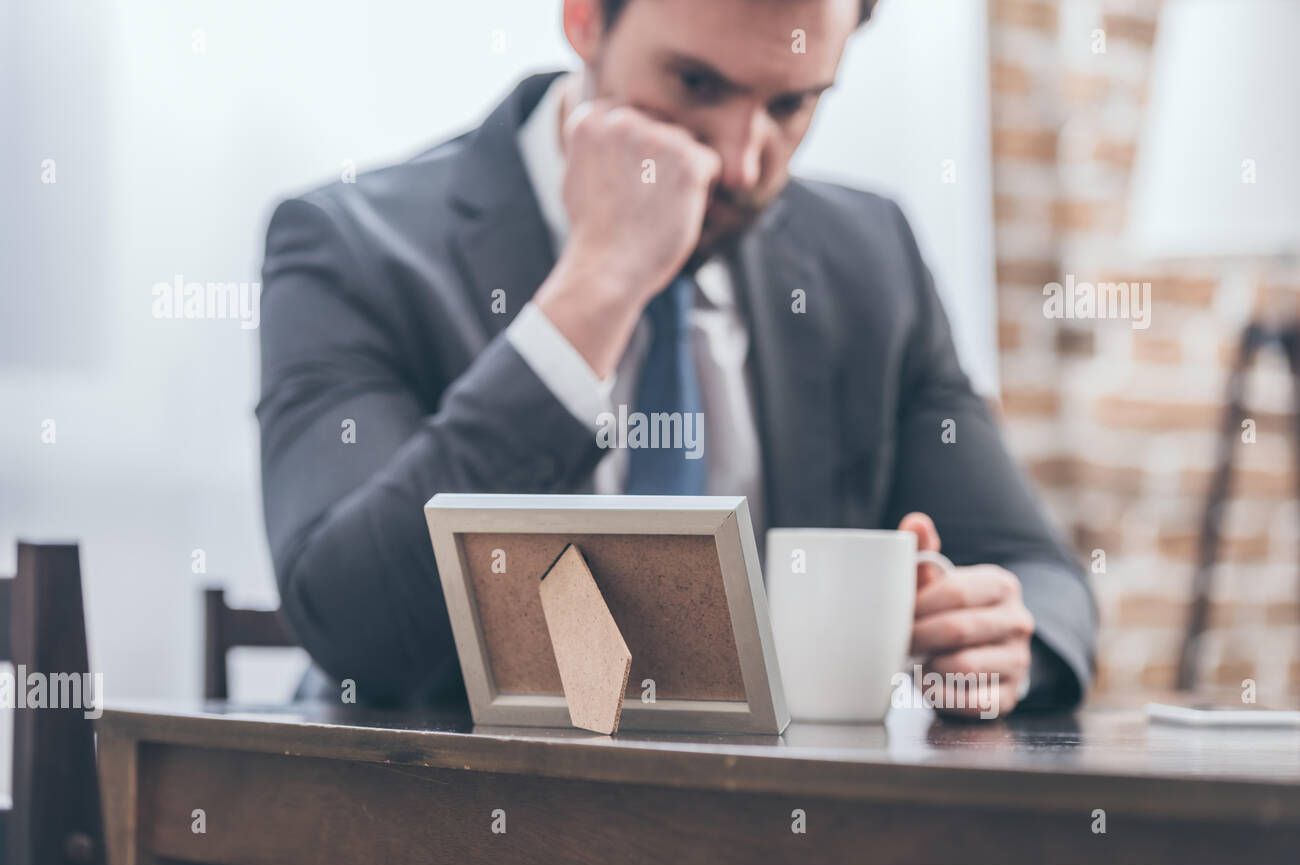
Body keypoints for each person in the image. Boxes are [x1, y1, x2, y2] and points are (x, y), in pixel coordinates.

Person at [257, 0, 1096, 718]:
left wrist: (989, 635)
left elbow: (1042, 580)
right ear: (585, 19)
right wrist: (601, 281)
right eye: (695, 85)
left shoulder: (869, 258)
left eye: (792, 105)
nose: (739, 161)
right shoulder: (352, 246)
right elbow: (353, 620)